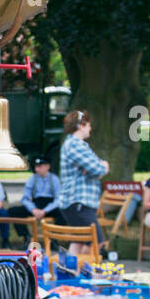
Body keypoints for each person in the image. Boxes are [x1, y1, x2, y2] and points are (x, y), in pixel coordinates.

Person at [58, 109, 109, 256]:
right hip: (79, 202)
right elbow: (98, 169)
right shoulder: (75, 145)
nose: (90, 128)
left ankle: (71, 273)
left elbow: (94, 169)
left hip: (76, 203)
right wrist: (103, 166)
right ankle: (84, 273)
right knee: (96, 242)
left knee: (79, 241)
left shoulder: (76, 145)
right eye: (88, 125)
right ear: (81, 125)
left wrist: (95, 169)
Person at [5, 156, 63, 243]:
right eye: (36, 166)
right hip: (36, 204)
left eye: (40, 166)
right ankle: (27, 237)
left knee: (64, 214)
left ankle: (53, 239)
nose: (37, 169)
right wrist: (33, 209)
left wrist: (45, 211)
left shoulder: (54, 179)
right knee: (13, 211)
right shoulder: (32, 179)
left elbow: (59, 199)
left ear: (47, 166)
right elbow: (25, 198)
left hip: (49, 206)